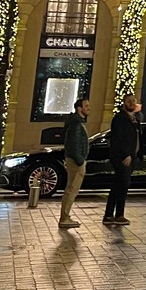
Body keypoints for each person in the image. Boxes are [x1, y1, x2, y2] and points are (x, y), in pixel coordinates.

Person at [104, 93, 141, 227]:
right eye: (129, 101)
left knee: (119, 185)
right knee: (122, 185)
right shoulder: (120, 118)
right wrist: (126, 154)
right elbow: (118, 138)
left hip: (131, 157)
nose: (132, 103)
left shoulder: (135, 119)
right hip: (123, 158)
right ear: (124, 103)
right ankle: (117, 214)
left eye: (133, 101)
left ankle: (110, 215)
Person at [59, 97, 90, 229]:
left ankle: (65, 216)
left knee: (71, 189)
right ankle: (64, 217)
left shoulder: (75, 122)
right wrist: (80, 160)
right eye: (86, 106)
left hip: (75, 159)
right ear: (79, 108)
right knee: (72, 189)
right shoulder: (76, 124)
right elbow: (74, 144)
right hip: (76, 161)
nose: (88, 108)